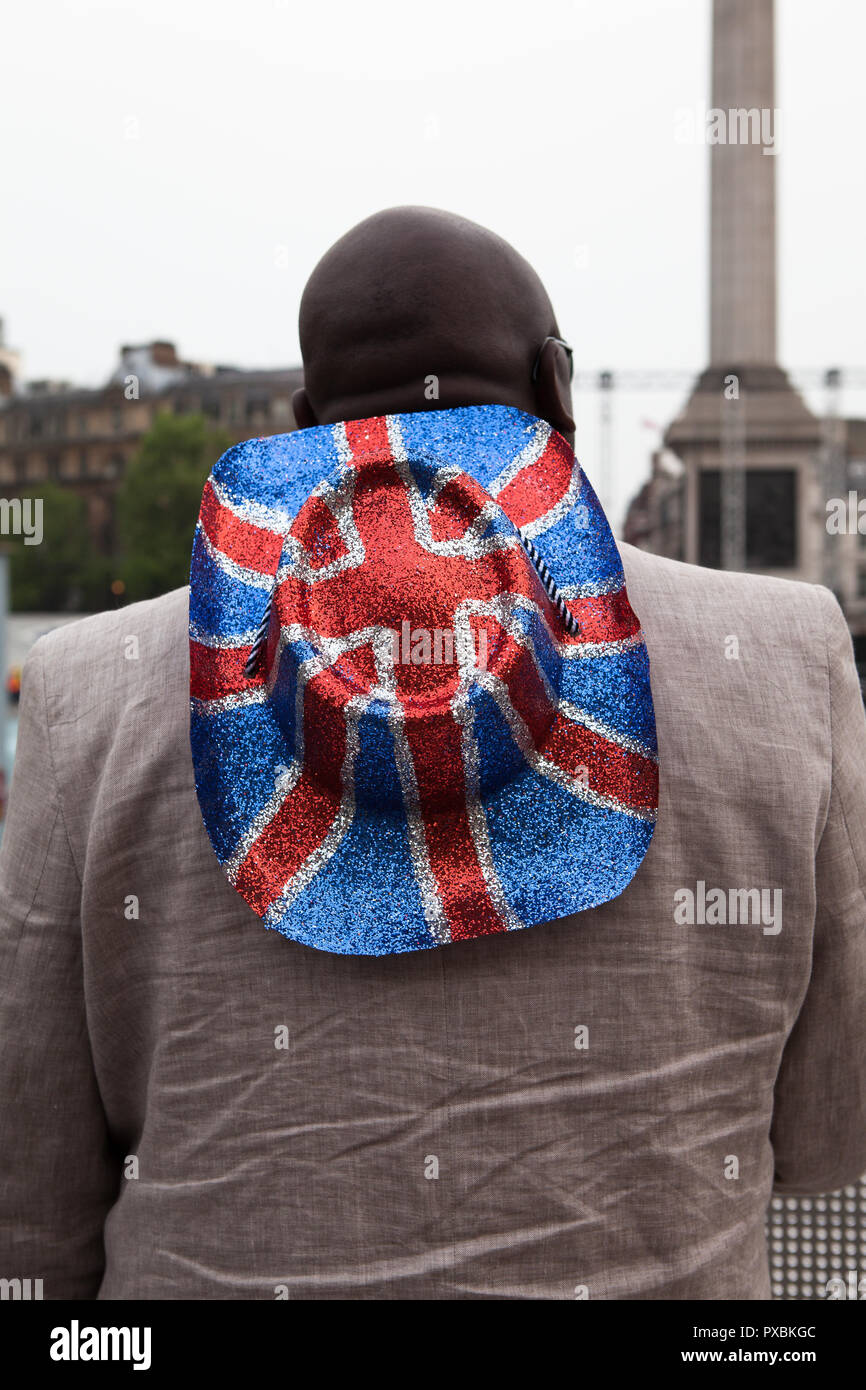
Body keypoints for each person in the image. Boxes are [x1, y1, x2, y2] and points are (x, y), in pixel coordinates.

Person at [1, 207, 864, 1301]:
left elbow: (30, 1196)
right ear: (557, 389)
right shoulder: (786, 657)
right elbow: (829, 1131)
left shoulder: (85, 687)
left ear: (310, 420)